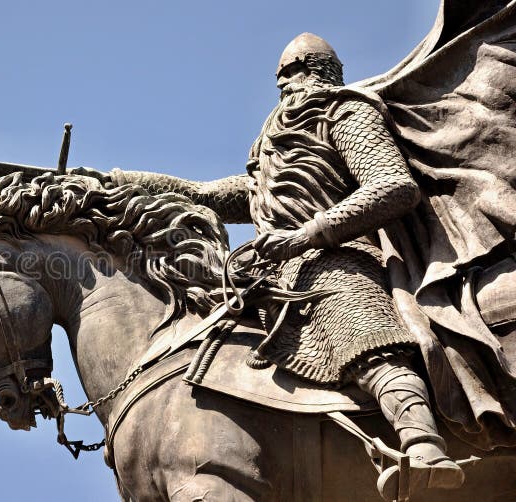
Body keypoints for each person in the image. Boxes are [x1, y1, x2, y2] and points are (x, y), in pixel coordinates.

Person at [75, 33, 465, 488]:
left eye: (297, 71)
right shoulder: (274, 147)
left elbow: (392, 186)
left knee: (362, 333)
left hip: (337, 258)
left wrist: (306, 235)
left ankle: (424, 449)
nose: (287, 83)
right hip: (269, 279)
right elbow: (207, 195)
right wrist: (116, 182)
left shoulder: (343, 111)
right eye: (282, 77)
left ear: (320, 71)